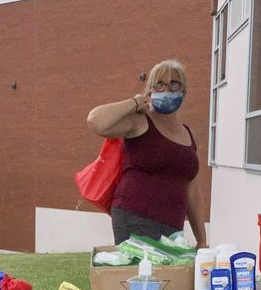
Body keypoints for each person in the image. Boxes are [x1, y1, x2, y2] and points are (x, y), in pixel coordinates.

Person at [86, 59, 207, 247]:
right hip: (135, 218)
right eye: (159, 84)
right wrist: (135, 102)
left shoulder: (190, 134)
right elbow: (96, 121)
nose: (167, 90)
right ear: (150, 91)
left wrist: (202, 240)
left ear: (183, 91)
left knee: (168, 276)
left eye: (174, 84)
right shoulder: (139, 122)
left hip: (173, 227)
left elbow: (193, 191)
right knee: (142, 275)